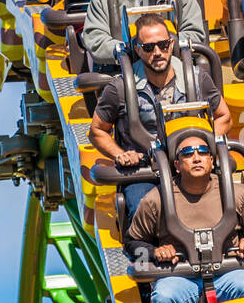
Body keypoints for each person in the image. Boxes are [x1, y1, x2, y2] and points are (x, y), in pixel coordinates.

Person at [90, 13, 231, 222]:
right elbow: (97, 131)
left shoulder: (196, 78)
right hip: (144, 172)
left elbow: (224, 117)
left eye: (163, 45)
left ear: (171, 44)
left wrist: (204, 147)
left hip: (188, 167)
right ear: (138, 49)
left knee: (219, 205)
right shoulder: (119, 88)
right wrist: (120, 154)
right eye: (149, 47)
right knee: (146, 210)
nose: (157, 52)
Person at [127, 139, 244, 303]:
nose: (196, 159)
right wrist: (154, 252)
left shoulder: (236, 193)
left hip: (228, 272)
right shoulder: (156, 199)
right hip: (179, 275)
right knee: (165, 297)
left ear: (212, 161)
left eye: (202, 152)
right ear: (177, 165)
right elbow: (132, 241)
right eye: (187, 154)